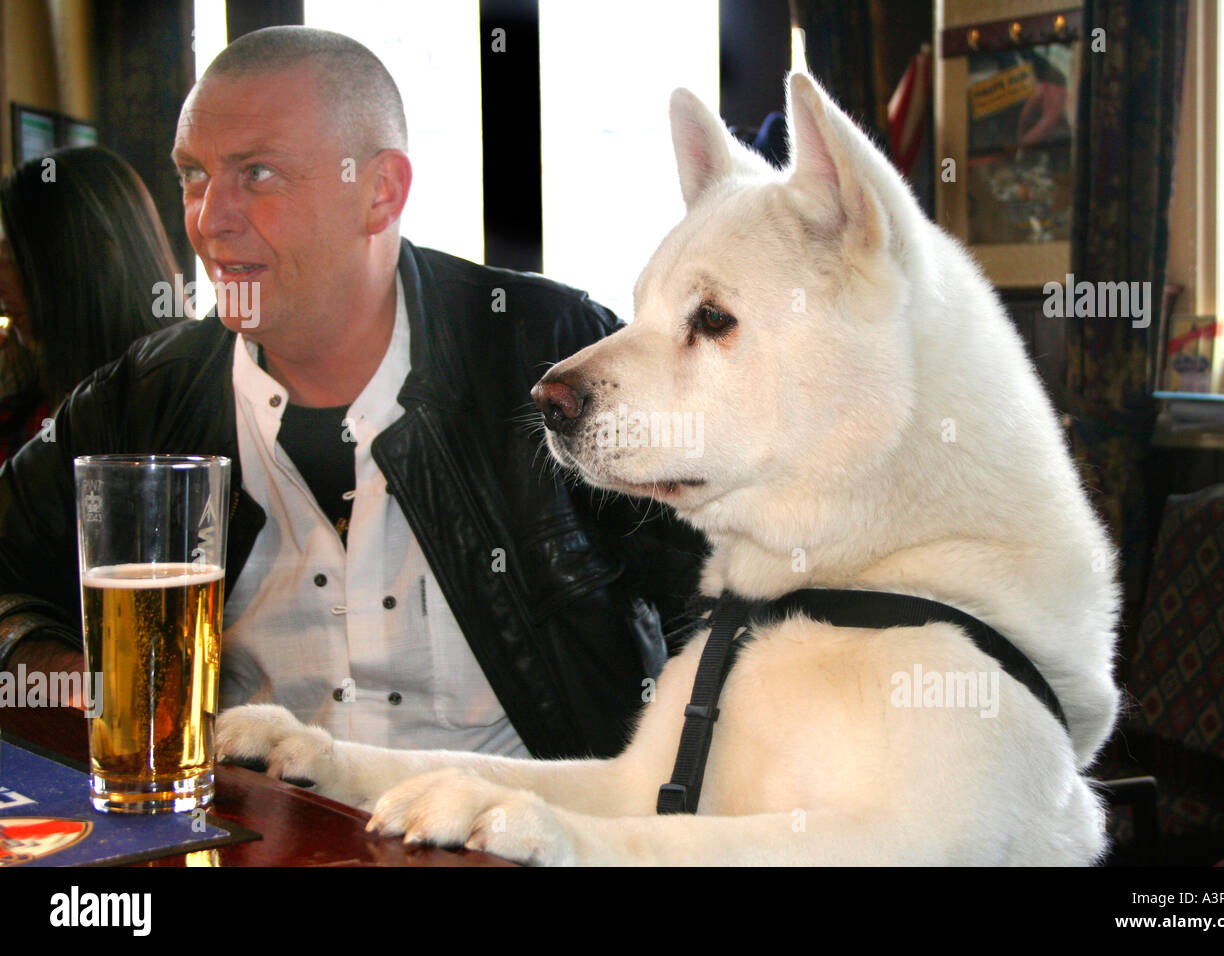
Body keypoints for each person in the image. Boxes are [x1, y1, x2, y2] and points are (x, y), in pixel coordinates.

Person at [0, 27, 703, 760]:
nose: (209, 222)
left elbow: (732, 589)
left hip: (523, 835)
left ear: (381, 191)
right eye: (192, 177)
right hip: (259, 837)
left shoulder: (552, 355)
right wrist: (61, 673)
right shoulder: (141, 403)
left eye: (258, 173)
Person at [0, 146, 182, 463]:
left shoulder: (176, 411)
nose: (3, 282)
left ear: (94, 264)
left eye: (16, 259)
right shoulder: (30, 410)